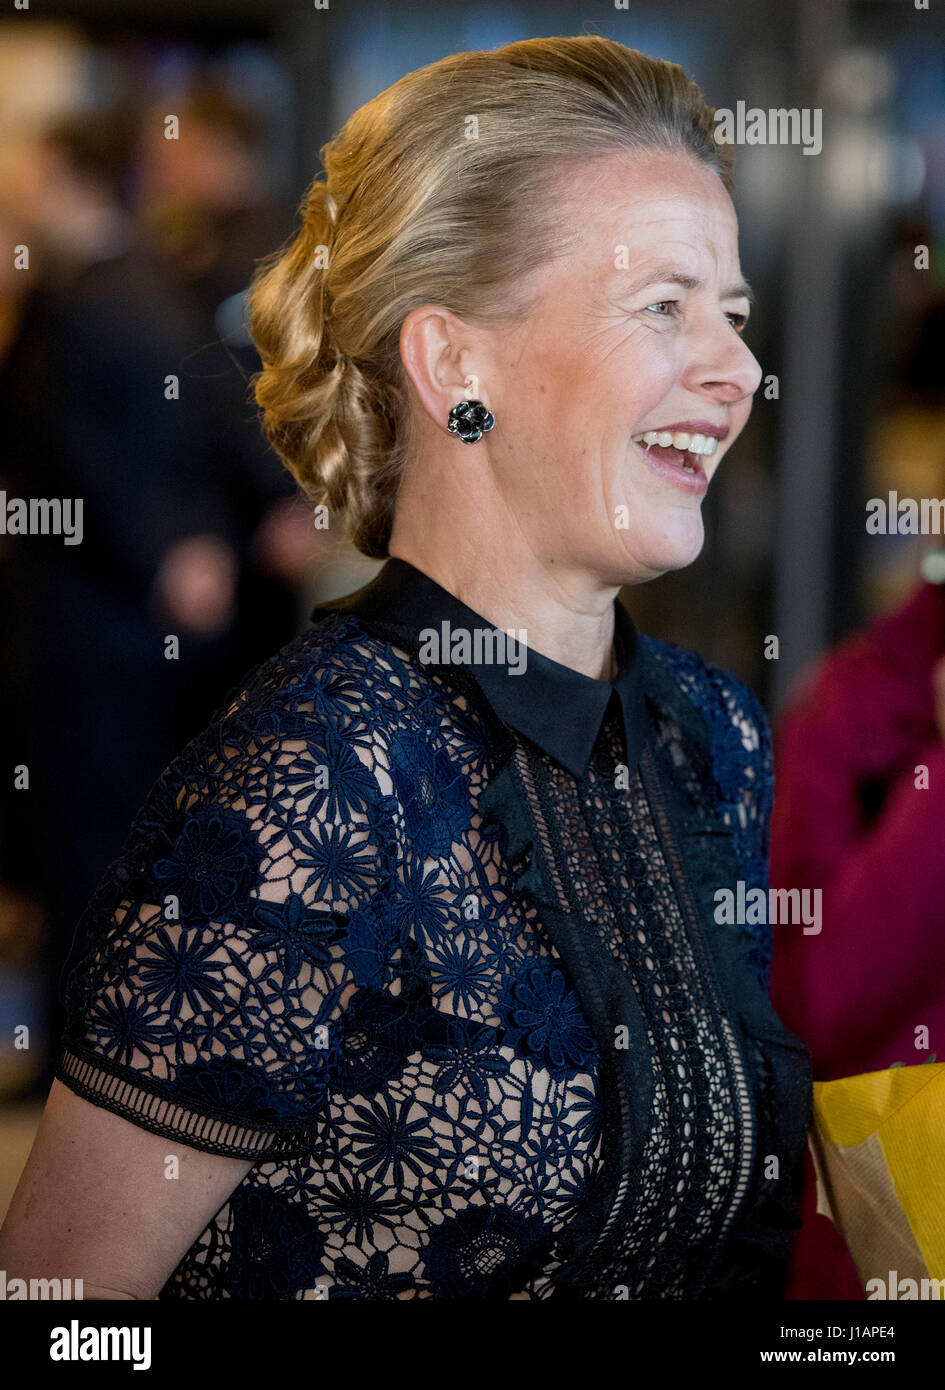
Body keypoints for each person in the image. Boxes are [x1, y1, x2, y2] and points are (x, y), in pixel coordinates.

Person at [0, 36, 811, 1301]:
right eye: (666, 304)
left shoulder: (715, 738)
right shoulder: (306, 784)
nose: (738, 367)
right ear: (455, 366)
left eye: (736, 313)